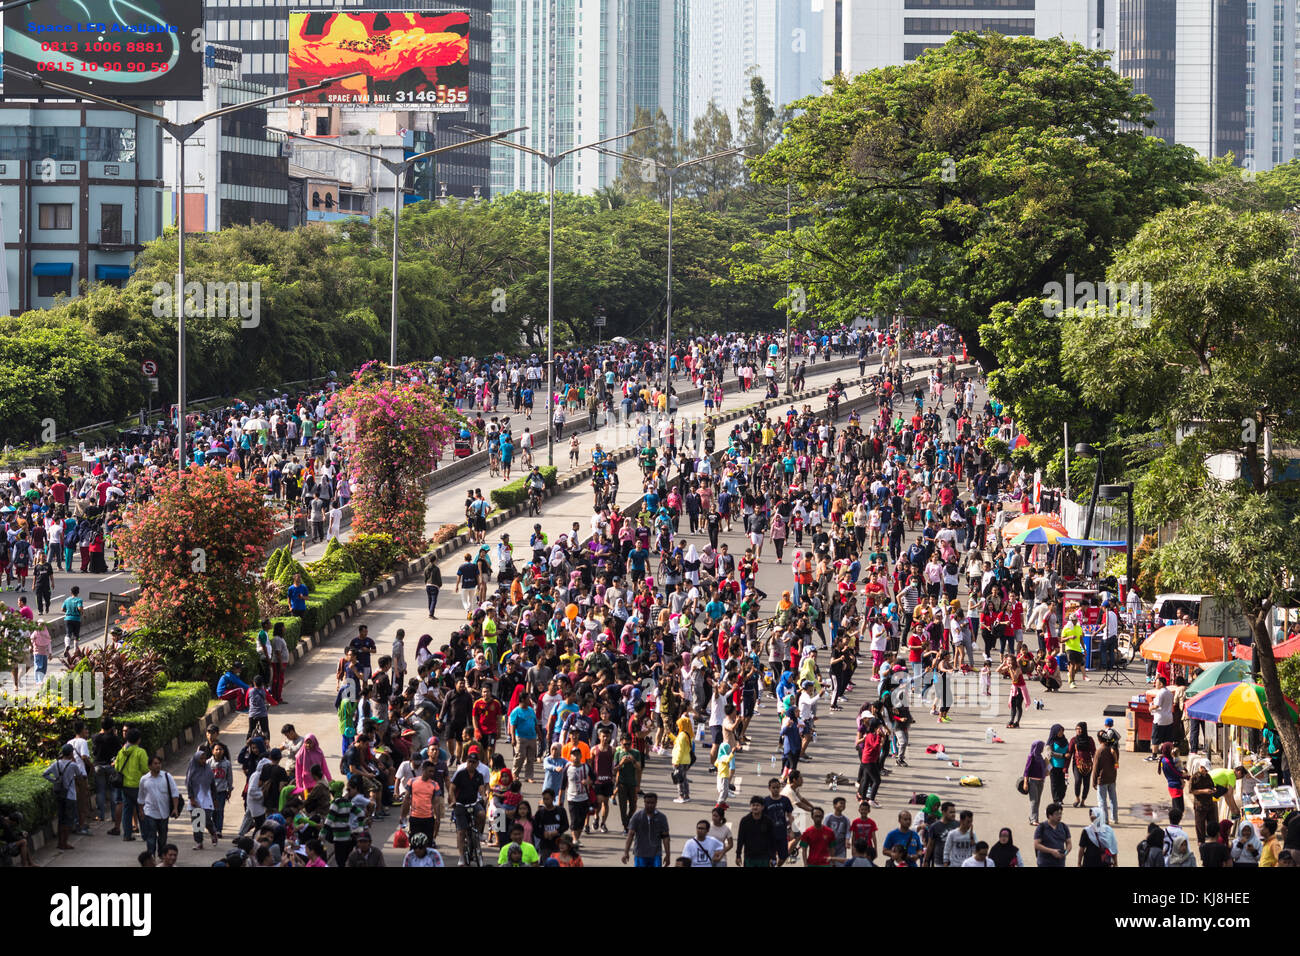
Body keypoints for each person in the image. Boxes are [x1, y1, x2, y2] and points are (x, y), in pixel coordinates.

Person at [137, 754, 182, 860]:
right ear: (149, 766)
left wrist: (175, 808)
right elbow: (141, 797)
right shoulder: (144, 779)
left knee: (162, 837)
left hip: (164, 813)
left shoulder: (167, 777)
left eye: (159, 763)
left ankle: (162, 856)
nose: (158, 766)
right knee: (151, 837)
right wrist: (141, 811)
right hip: (150, 813)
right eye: (155, 764)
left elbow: (175, 793)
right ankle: (150, 857)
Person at [622, 792, 672, 867]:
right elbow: (630, 835)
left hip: (656, 855)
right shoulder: (637, 817)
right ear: (644, 802)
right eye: (647, 803)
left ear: (656, 803)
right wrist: (626, 852)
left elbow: (666, 837)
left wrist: (668, 855)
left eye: (652, 803)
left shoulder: (662, 818)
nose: (650, 805)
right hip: (640, 854)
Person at [1032, 802, 1071, 867]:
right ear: (1049, 815)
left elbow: (1069, 843)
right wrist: (1052, 851)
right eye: (1056, 814)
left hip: (1060, 863)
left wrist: (1065, 853)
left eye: (1060, 813)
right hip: (1044, 863)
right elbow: (1037, 845)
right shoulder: (1042, 827)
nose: (1059, 816)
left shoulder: (1064, 827)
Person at [1023, 740, 1047, 825]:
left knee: (1038, 800)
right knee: (1034, 800)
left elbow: (1045, 768)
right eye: (1041, 747)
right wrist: (1025, 782)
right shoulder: (1031, 756)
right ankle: (1033, 819)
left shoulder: (1041, 756)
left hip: (1041, 781)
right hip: (1032, 781)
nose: (1043, 749)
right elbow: (1026, 770)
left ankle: (1035, 818)